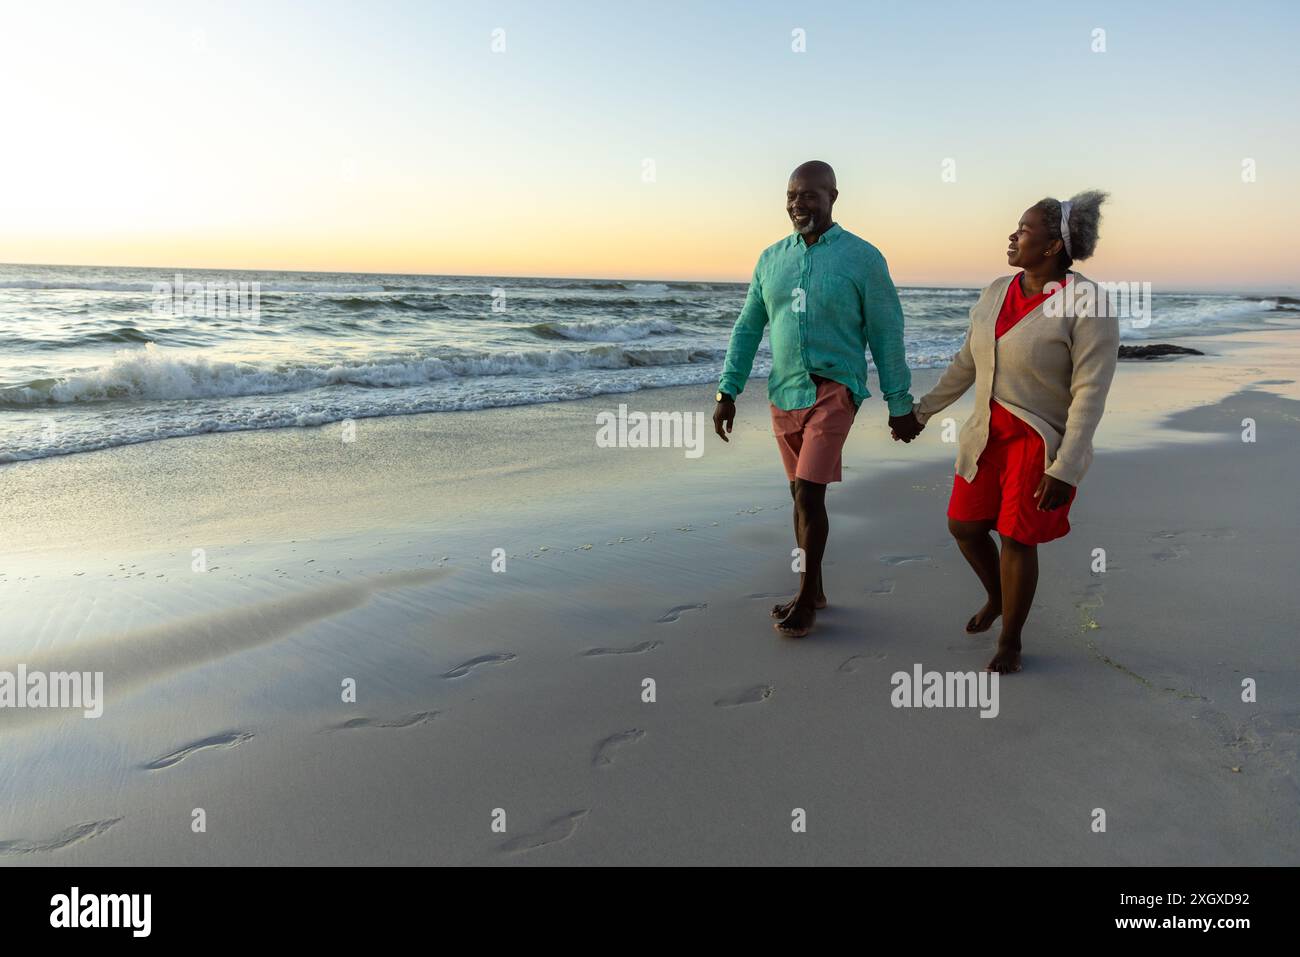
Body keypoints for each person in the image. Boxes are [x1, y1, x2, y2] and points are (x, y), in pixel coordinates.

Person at [893, 191, 1117, 672]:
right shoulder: (997, 290)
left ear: (1055, 244)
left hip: (1037, 441)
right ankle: (997, 598)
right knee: (965, 526)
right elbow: (969, 362)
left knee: (1017, 538)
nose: (1013, 236)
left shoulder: (1088, 302)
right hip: (986, 432)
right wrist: (922, 412)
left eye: (1024, 228)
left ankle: (1011, 640)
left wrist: (1068, 468)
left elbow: (1090, 392)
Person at [713, 160, 919, 639]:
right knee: (800, 495)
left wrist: (899, 402)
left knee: (810, 491)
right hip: (785, 391)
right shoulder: (770, 259)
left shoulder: (862, 258)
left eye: (809, 195)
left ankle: (805, 597)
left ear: (832, 196)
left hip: (836, 387)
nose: (797, 204)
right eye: (791, 195)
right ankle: (817, 587)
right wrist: (728, 389)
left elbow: (886, 331)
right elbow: (747, 327)